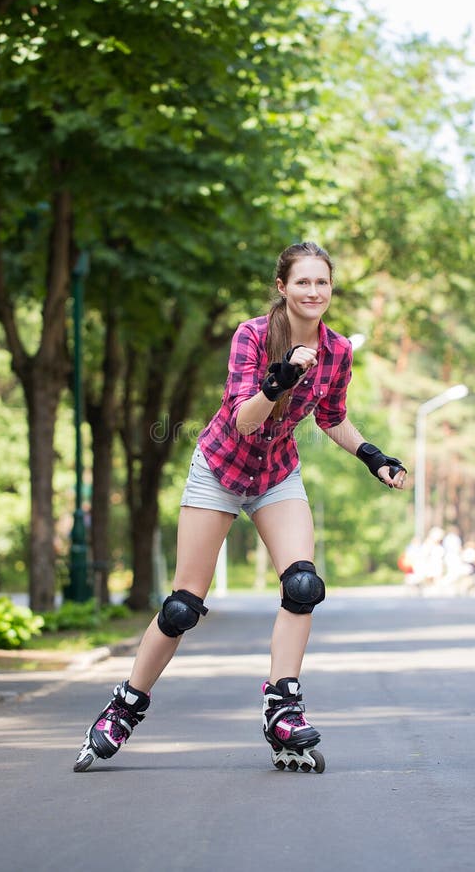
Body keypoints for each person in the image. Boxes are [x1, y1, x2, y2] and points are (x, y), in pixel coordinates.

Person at [73, 241, 407, 774]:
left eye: (322, 282)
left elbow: (332, 417)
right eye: (303, 282)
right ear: (282, 287)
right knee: (183, 607)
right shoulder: (252, 336)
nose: (314, 292)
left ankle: (283, 706)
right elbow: (244, 422)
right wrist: (280, 379)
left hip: (276, 474)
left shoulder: (339, 350)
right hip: (220, 470)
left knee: (303, 584)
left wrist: (373, 456)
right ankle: (125, 705)